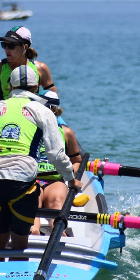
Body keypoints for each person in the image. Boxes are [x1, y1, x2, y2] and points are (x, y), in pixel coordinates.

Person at [0, 66, 81, 261]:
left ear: (9, 85)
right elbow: (55, 154)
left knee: (0, 239)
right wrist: (71, 180)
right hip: (21, 185)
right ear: (36, 86)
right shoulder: (43, 111)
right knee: (20, 243)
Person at [31, 91, 83, 235]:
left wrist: (71, 173)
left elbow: (77, 162)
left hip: (55, 181)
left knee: (57, 202)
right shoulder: (28, 129)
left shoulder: (66, 133)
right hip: (32, 179)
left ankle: (59, 233)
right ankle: (33, 231)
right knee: (32, 203)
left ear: (54, 110)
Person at [0, 26, 57, 109]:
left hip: (33, 117)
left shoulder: (41, 68)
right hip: (6, 118)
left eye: (11, 46)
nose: (6, 49)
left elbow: (53, 100)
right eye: (4, 45)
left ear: (25, 47)